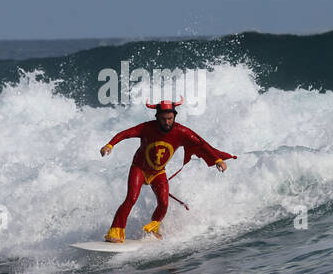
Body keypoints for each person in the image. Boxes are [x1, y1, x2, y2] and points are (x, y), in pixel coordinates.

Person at [99, 99, 235, 242]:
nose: (167, 122)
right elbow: (126, 133)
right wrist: (110, 145)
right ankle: (115, 232)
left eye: (170, 119)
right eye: (163, 119)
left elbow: (201, 144)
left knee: (163, 203)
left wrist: (217, 160)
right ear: (157, 117)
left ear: (174, 117)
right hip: (139, 168)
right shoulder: (147, 128)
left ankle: (153, 229)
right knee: (131, 198)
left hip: (158, 172)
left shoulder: (181, 132)